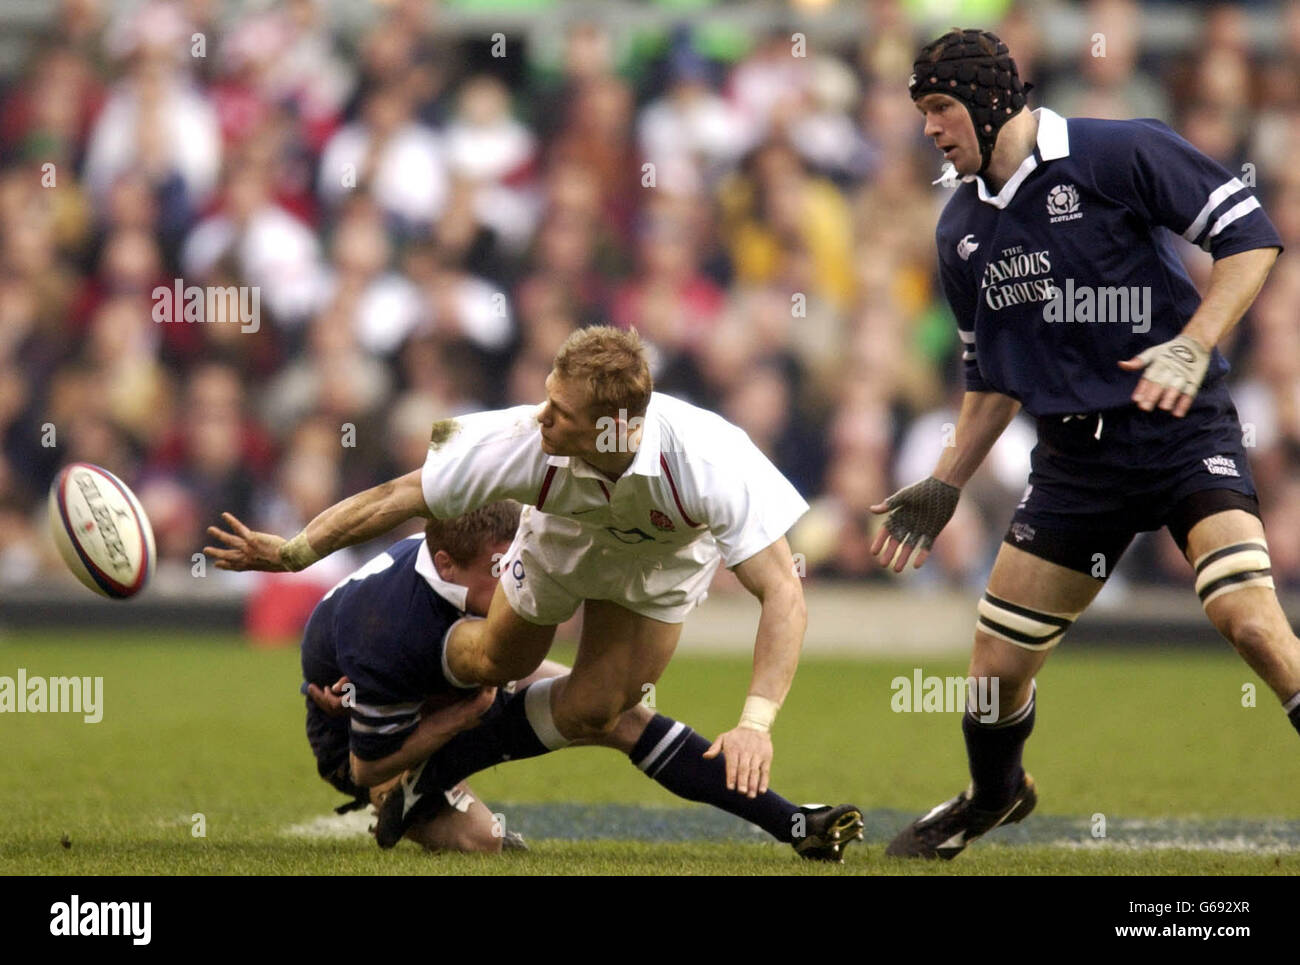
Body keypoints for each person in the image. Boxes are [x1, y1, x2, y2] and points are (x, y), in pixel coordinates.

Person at [871, 28, 1294, 860]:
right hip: (1074, 462)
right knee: (992, 678)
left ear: (992, 103)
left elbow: (1252, 239)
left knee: (1247, 619)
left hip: (1180, 429)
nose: (929, 127)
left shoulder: (1118, 149)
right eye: (921, 111)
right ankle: (994, 795)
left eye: (941, 107)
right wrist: (947, 479)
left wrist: (1195, 341)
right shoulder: (960, 229)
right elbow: (991, 381)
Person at [209, 326, 862, 856]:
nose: (542, 416)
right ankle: (422, 712)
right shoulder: (526, 440)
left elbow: (783, 592)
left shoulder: (711, 462)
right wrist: (297, 550)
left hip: (661, 563)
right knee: (500, 662)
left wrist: (755, 722)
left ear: (616, 429)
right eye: (547, 397)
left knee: (593, 709)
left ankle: (433, 766)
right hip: (563, 537)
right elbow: (399, 494)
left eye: (561, 411)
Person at [301, 501, 860, 858]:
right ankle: (409, 789)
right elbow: (364, 762)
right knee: (486, 842)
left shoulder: (463, 568)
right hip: (370, 738)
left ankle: (792, 822)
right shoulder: (390, 631)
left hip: (447, 693)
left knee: (610, 713)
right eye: (497, 573)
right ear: (446, 565)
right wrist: (461, 715)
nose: (513, 584)